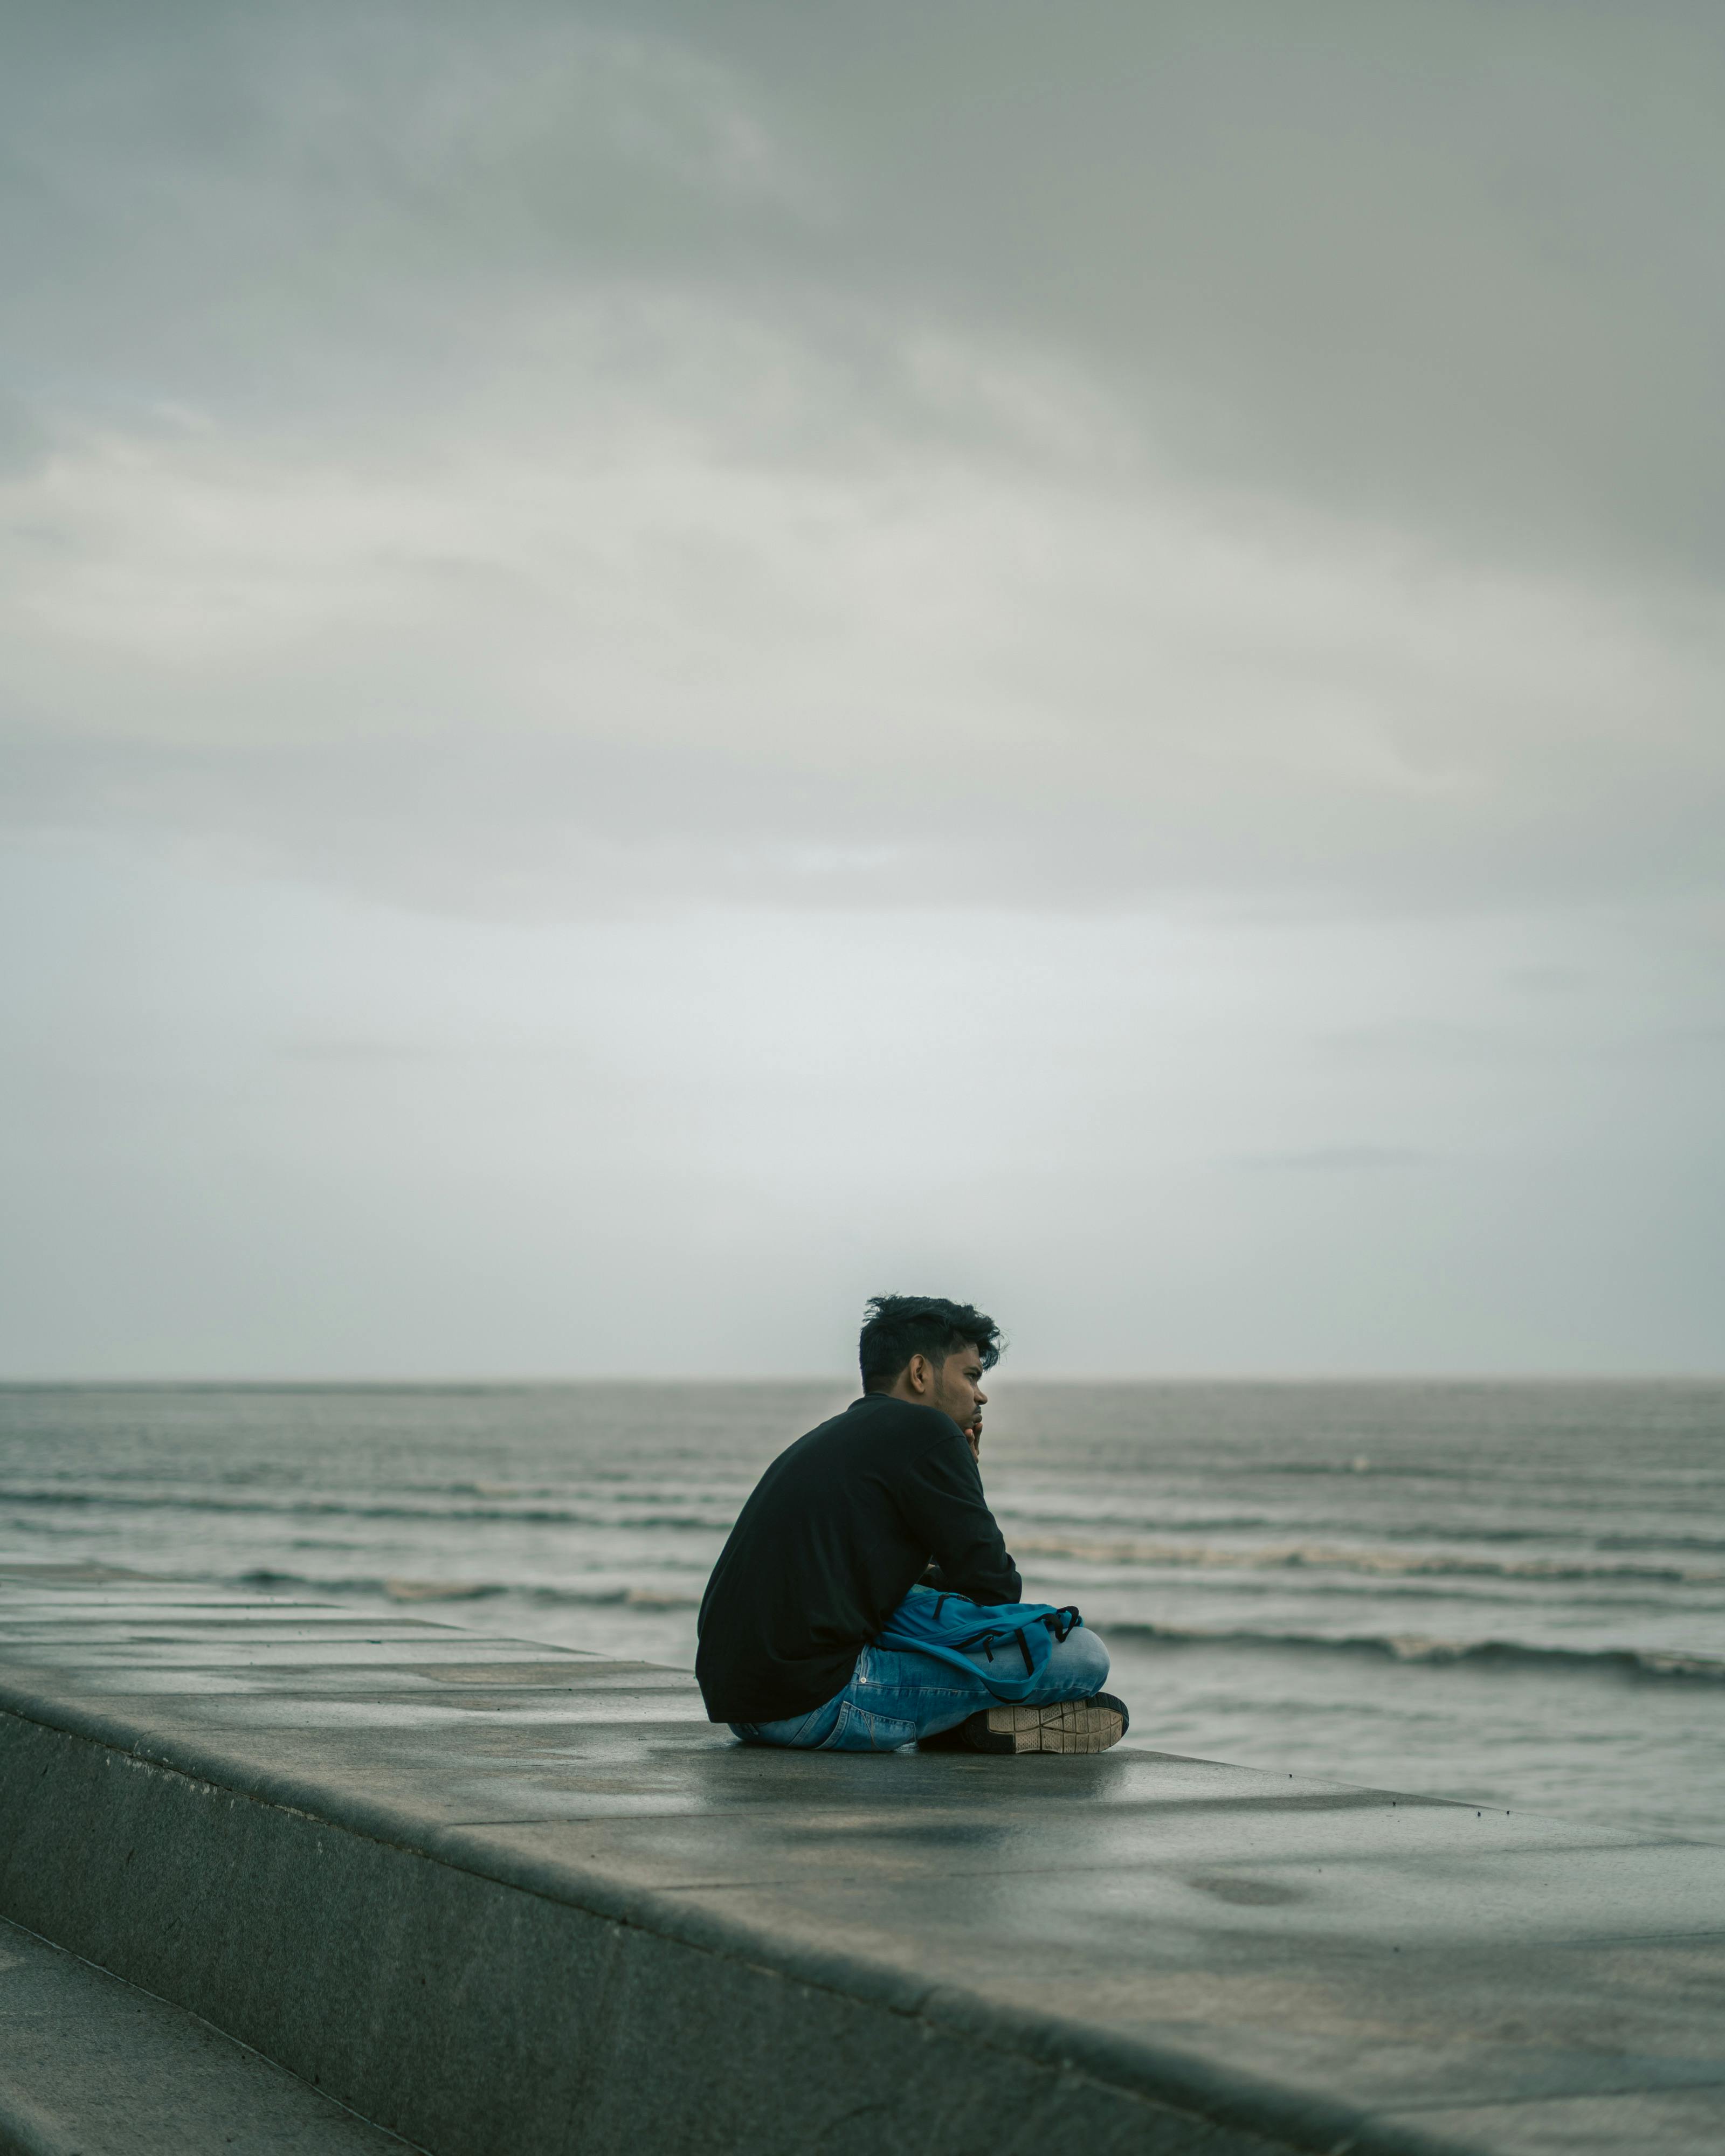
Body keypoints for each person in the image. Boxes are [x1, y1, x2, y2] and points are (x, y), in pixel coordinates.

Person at [695, 1294, 1128, 1754]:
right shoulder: (929, 1432)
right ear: (921, 1373)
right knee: (1083, 1655)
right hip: (812, 1705)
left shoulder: (831, 1437)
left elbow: (889, 1587)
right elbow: (995, 1588)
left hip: (742, 1706)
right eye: (971, 1376)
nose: (981, 1395)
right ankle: (964, 1723)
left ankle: (958, 1720)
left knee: (924, 1601)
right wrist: (966, 1471)